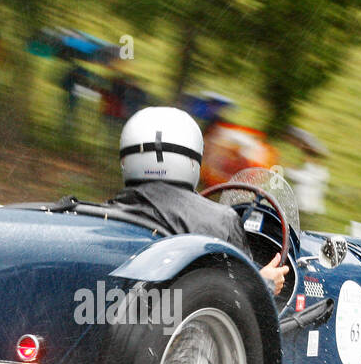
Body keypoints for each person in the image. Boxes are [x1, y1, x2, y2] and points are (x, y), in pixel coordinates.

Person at [106, 107, 289, 294]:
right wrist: (263, 284)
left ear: (126, 161)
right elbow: (239, 303)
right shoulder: (222, 221)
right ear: (193, 160)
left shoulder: (106, 215)